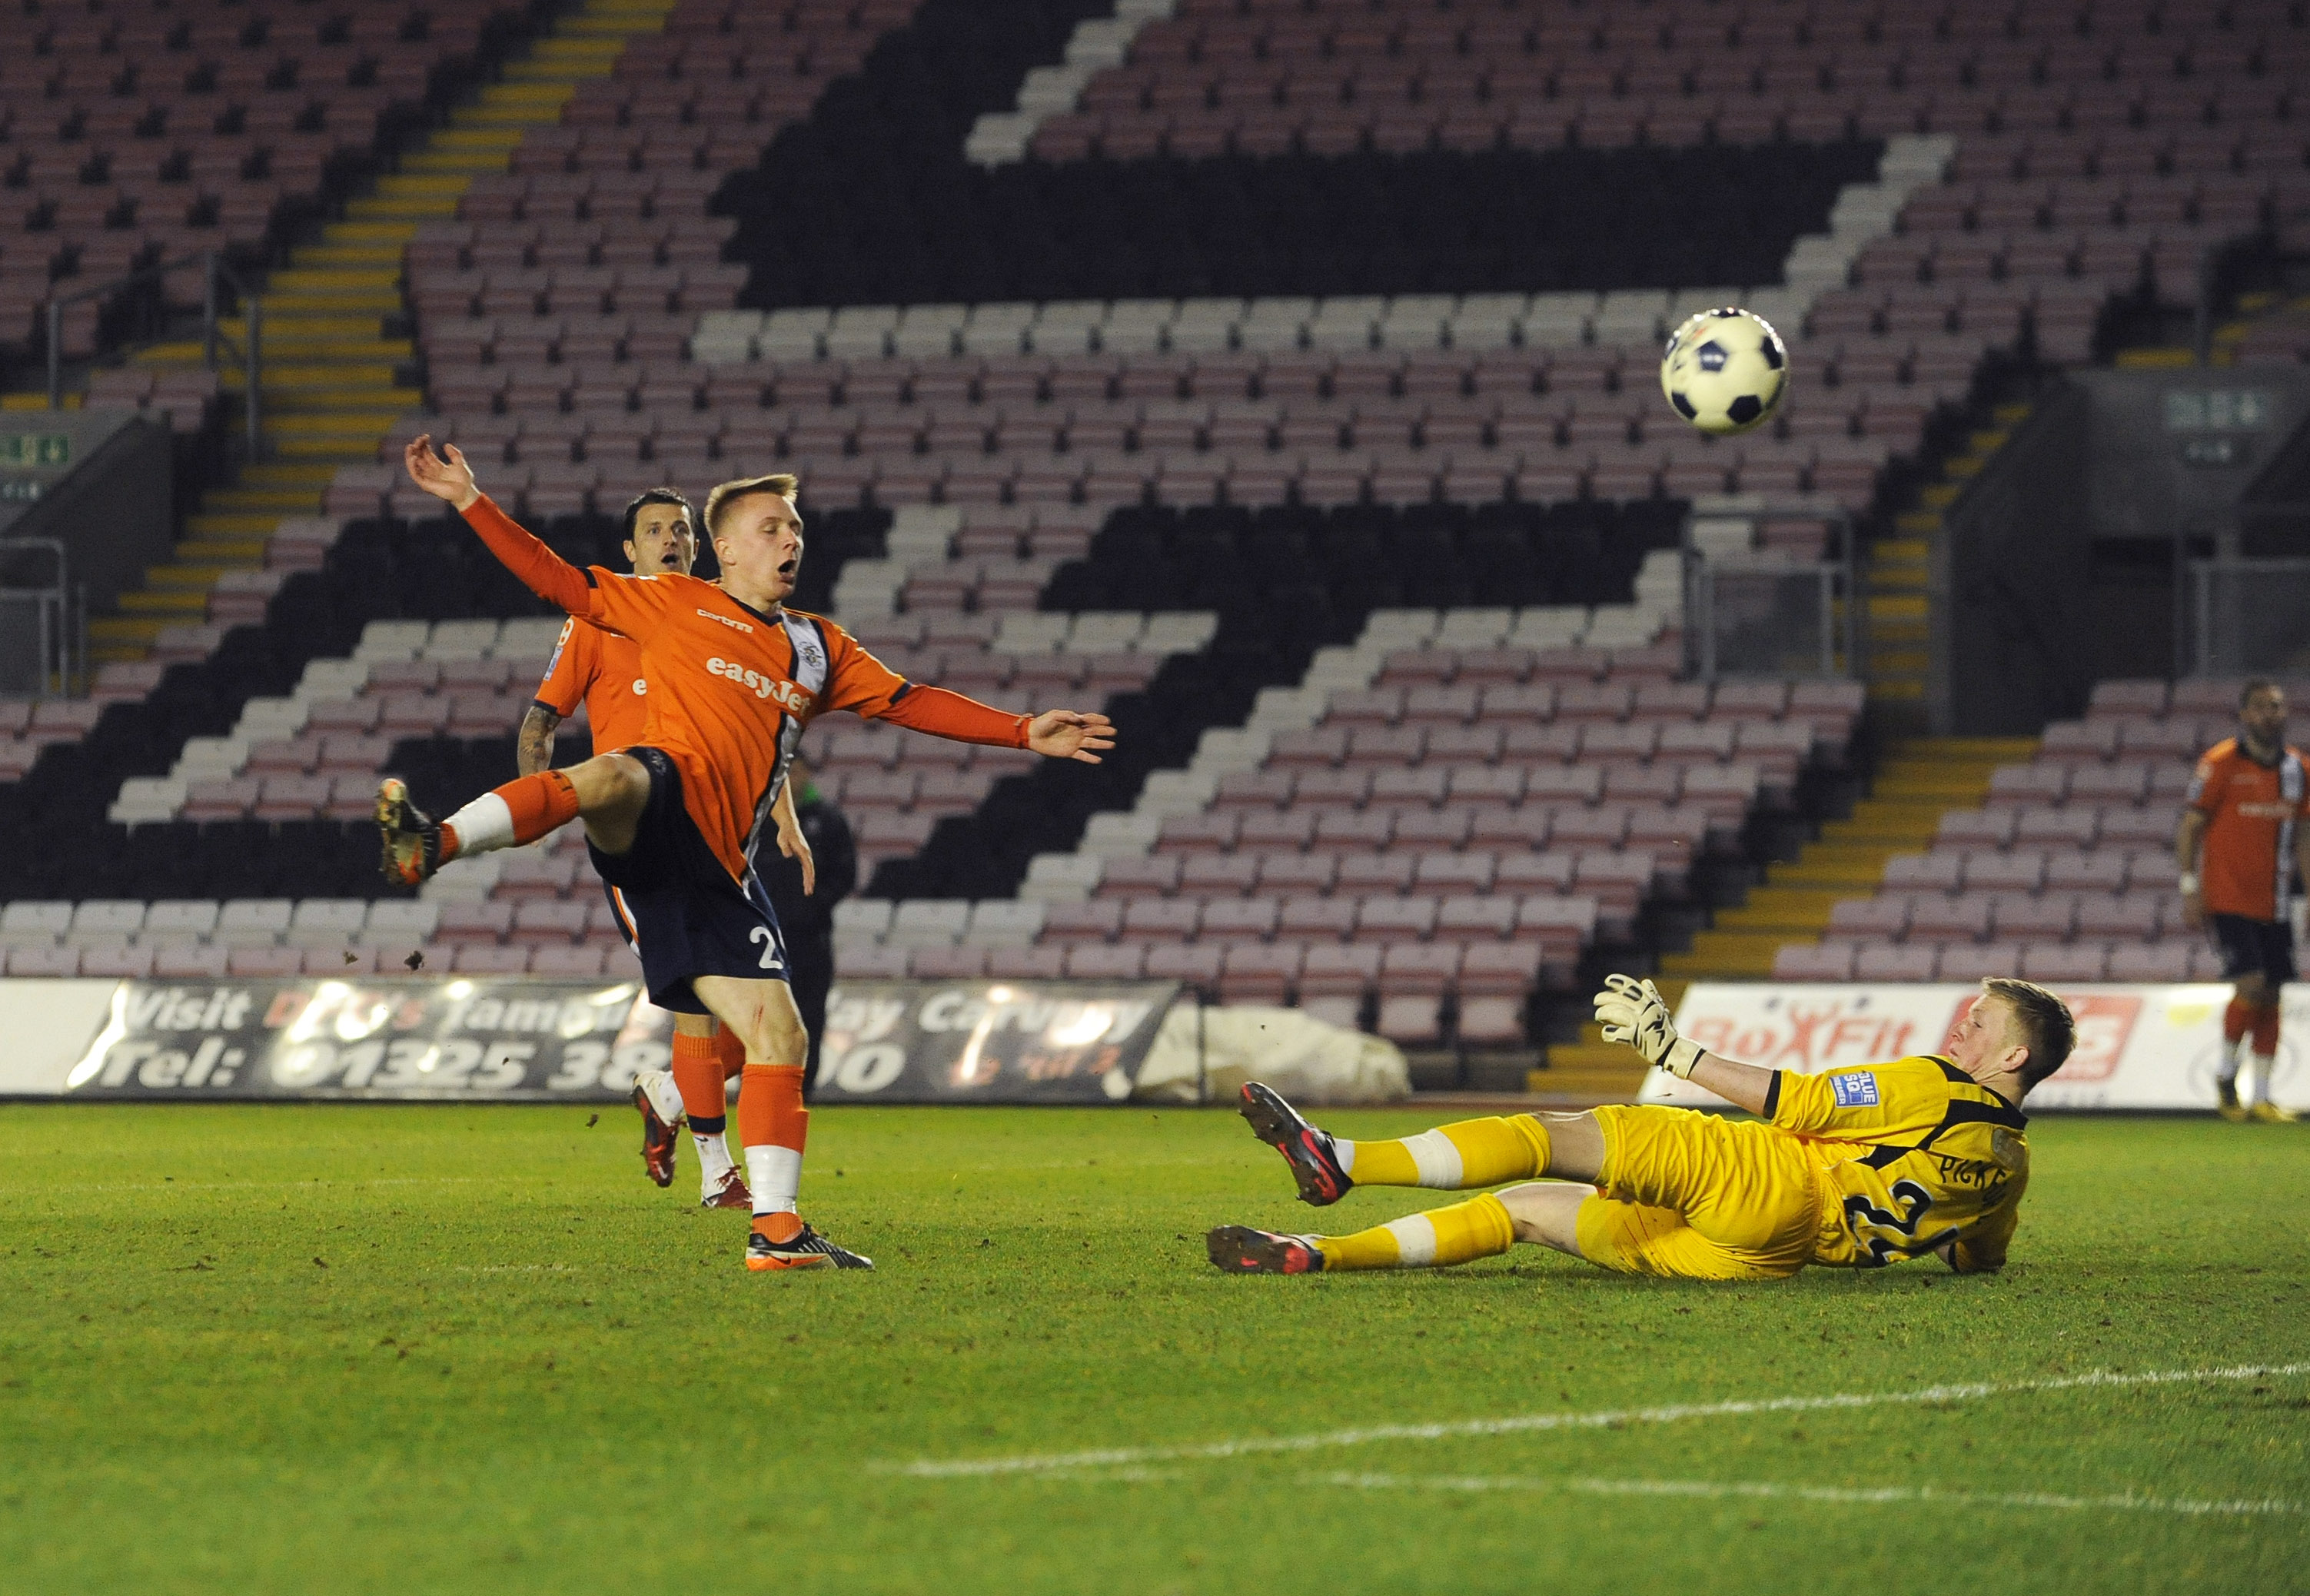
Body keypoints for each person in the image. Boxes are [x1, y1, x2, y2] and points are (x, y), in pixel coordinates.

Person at [387, 438, 1115, 1270]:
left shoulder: (818, 648)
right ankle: (433, 841)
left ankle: (774, 1231)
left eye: (795, 528)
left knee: (780, 1035)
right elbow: (553, 576)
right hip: (660, 810)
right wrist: (469, 498)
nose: (789, 540)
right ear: (723, 548)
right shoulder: (664, 605)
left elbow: (911, 701)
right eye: (770, 528)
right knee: (622, 773)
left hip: (721, 867)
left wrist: (1021, 729)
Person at [1208, 974, 2068, 1282]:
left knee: (1555, 1134)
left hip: (1765, 1179)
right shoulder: (2011, 1165)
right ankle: (1317, 1255)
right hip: (1764, 1259)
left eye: (1981, 1023)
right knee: (1528, 1209)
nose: (1962, 1027)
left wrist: (1671, 1049)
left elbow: (1798, 1103)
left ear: (2012, 1056)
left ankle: (1342, 1160)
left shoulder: (1933, 1085)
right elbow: (1972, 1258)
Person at [515, 487, 812, 1207]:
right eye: (654, 531)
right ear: (629, 550)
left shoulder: (716, 616)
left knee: (769, 1013)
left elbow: (757, 730)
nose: (671, 540)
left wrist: (784, 817)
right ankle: (719, 1176)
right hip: (640, 832)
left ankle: (669, 1094)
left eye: (681, 529)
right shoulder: (597, 623)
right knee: (698, 1008)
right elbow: (538, 725)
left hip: (717, 831)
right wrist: (542, 808)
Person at [2178, 678, 2308, 1124]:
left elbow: (2304, 836)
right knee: (2251, 984)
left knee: (2272, 993)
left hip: (2276, 900)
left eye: (2276, 706)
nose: (2270, 714)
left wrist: (2307, 895)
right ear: (2245, 715)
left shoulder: (2298, 769)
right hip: (2229, 896)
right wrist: (2189, 886)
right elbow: (2190, 826)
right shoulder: (2220, 763)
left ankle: (2264, 1097)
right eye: (2261, 707)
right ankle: (2226, 1074)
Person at [753, 755, 855, 1099]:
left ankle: (801, 1091)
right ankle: (760, 1086)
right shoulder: (757, 816)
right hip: (760, 936)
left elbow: (845, 875)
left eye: (794, 771)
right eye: (784, 772)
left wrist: (810, 907)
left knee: (809, 1014)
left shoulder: (827, 820)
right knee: (758, 1015)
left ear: (807, 773)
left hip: (808, 938)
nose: (789, 779)